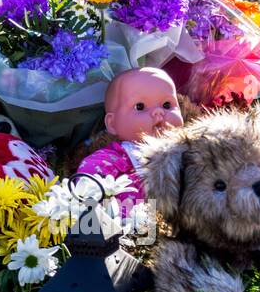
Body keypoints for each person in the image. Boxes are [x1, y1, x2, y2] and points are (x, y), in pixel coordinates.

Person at [77, 67, 183, 214]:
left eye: (167, 105)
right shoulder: (114, 158)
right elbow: (88, 179)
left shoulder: (190, 152)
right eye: (140, 107)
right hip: (135, 229)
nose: (159, 113)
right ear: (112, 124)